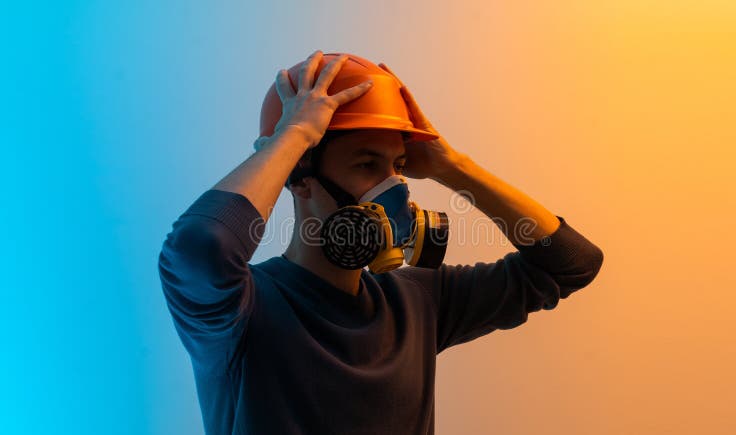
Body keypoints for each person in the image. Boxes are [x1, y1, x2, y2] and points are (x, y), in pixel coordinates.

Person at [158, 49, 604, 435]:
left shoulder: (418, 300)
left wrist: (453, 166)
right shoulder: (239, 310)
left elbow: (572, 263)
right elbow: (201, 245)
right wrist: (293, 137)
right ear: (301, 177)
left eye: (399, 166)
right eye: (367, 165)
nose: (395, 188)